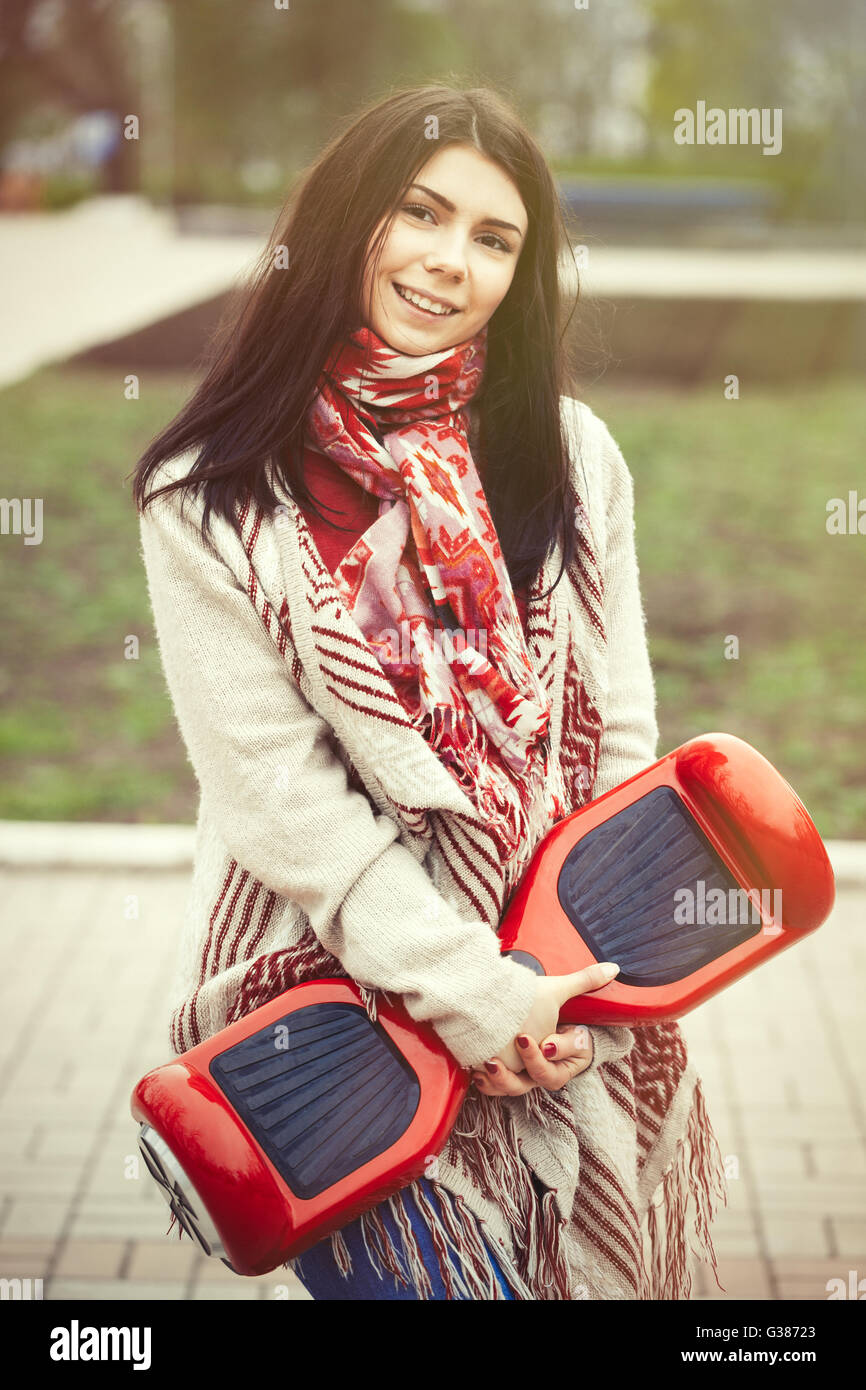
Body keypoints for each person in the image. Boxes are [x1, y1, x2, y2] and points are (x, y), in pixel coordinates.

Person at [131, 82, 726, 1300]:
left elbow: (617, 738)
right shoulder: (212, 496)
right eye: (419, 212)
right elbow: (283, 808)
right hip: (346, 1028)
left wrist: (567, 987)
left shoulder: (570, 458)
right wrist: (468, 993)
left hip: (568, 1011)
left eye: (494, 238)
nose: (449, 261)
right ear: (350, 218)